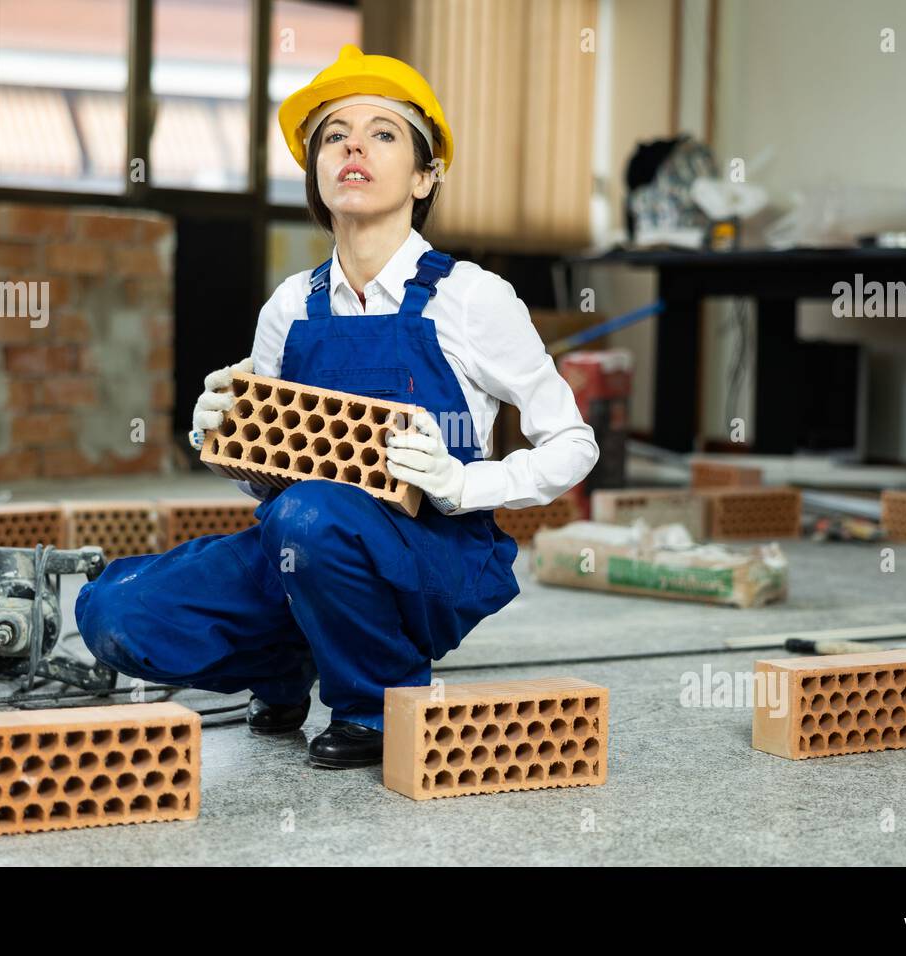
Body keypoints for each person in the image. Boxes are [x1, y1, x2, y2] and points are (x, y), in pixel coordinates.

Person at [76, 44, 598, 769]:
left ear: (425, 173)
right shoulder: (290, 306)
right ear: (317, 173)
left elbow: (574, 442)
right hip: (299, 542)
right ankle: (282, 666)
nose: (353, 144)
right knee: (114, 613)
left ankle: (376, 704)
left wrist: (463, 484)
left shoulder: (470, 297)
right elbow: (272, 479)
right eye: (333, 135)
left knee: (310, 517)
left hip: (430, 556)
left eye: (383, 132)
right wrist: (225, 438)